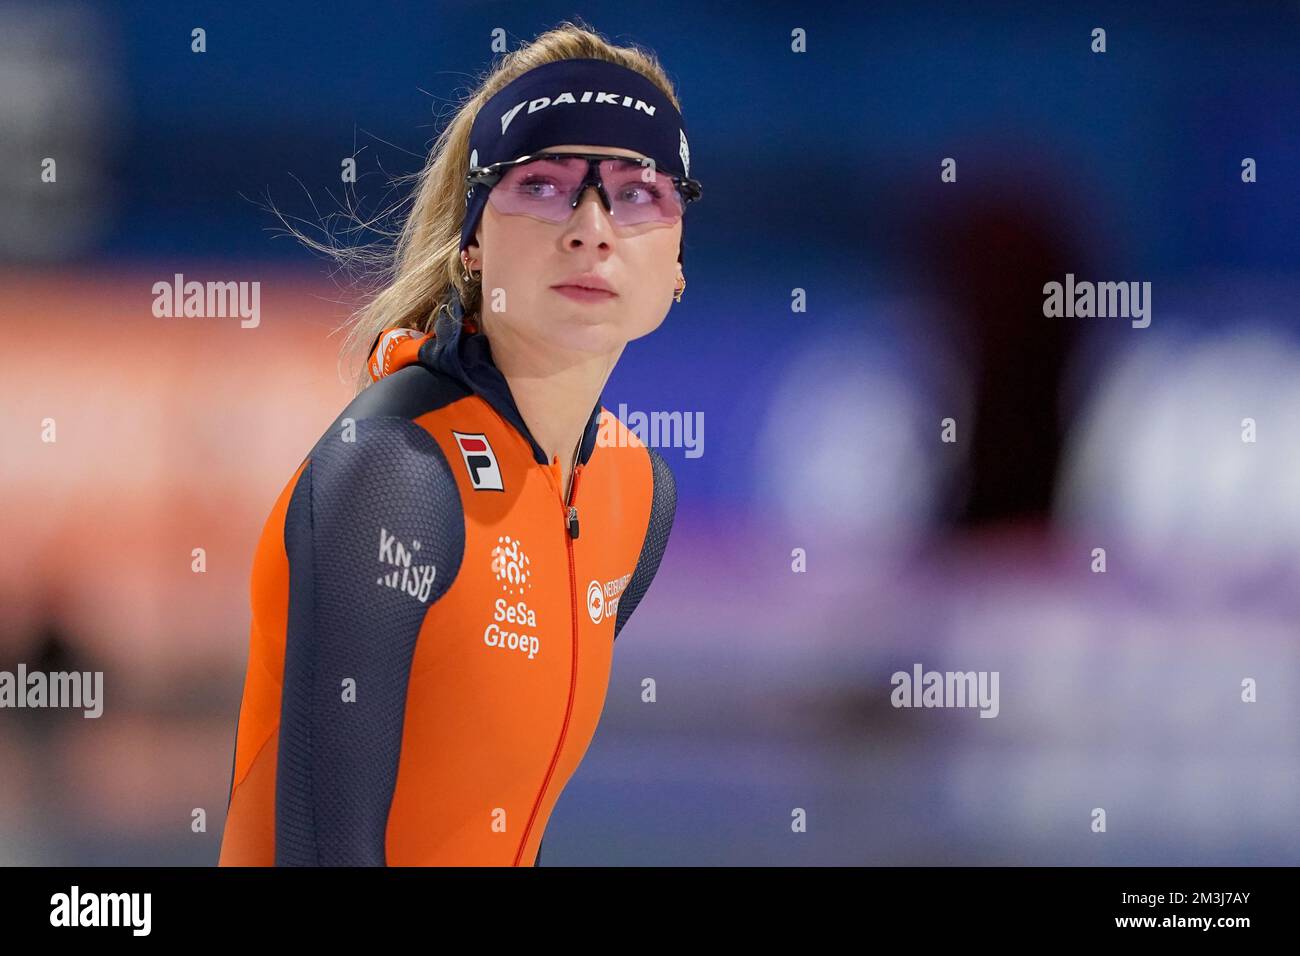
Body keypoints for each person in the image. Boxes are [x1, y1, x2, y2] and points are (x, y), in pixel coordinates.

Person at [217, 23, 701, 866]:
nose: (592, 228)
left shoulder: (635, 493)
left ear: (678, 260)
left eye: (636, 191)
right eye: (545, 185)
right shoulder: (395, 474)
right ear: (474, 242)